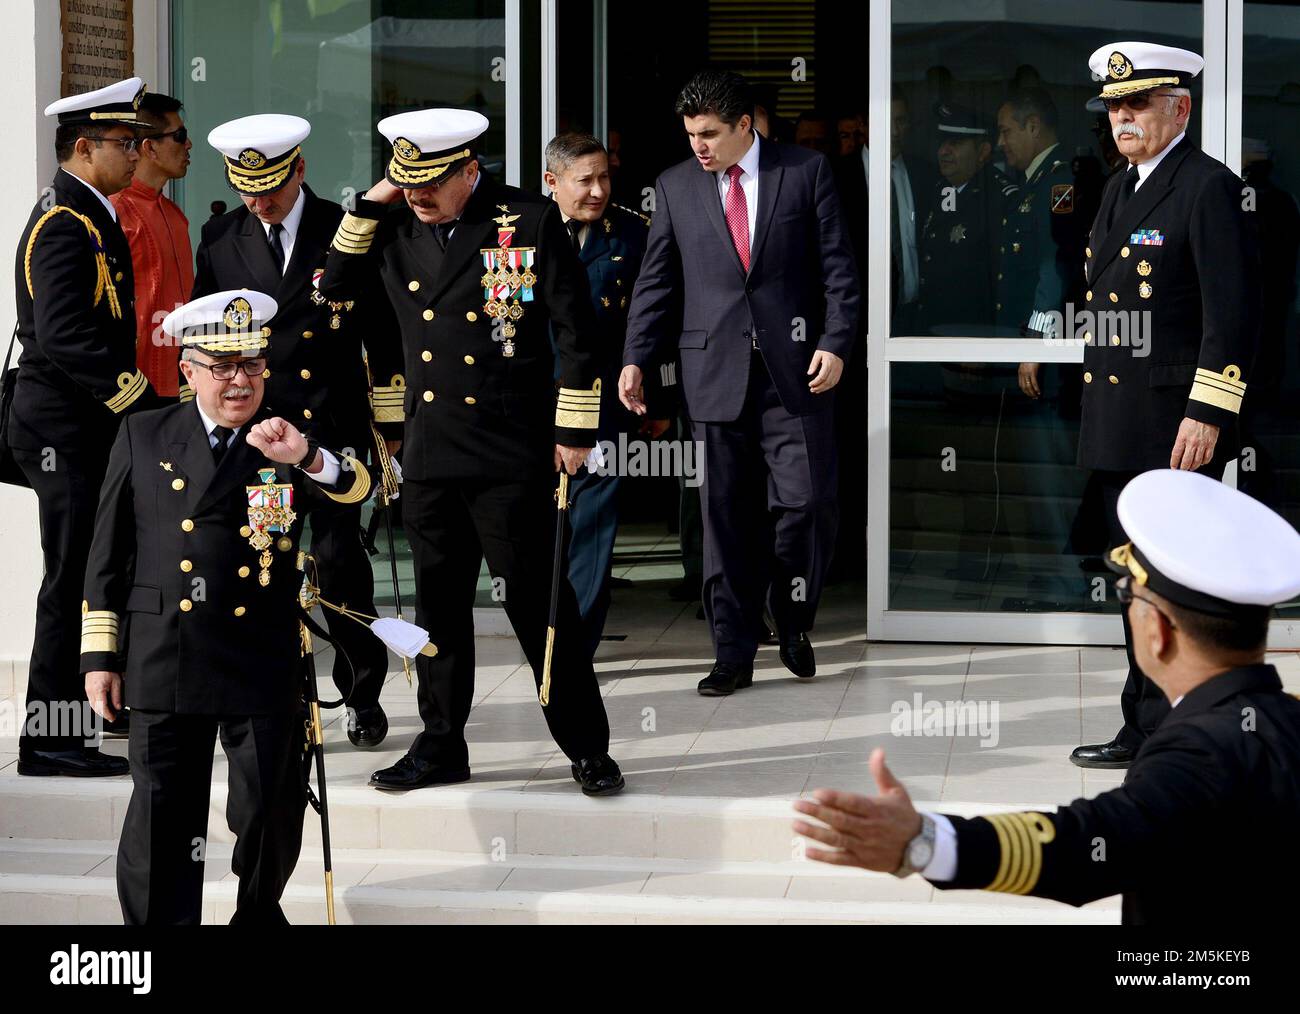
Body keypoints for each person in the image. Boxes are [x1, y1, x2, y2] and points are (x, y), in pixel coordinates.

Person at [794, 468, 1300, 925]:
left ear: (1158, 629)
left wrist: (924, 842)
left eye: (1129, 597)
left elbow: (1089, 843)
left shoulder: (1196, 753)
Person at [319, 108, 624, 794]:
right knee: (439, 614)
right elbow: (332, 288)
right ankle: (440, 745)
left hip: (510, 457)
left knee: (540, 608)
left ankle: (587, 746)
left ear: (468, 170)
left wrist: (574, 433)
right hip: (429, 457)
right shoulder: (393, 227)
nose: (419, 196)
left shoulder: (527, 220)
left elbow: (579, 334)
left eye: (431, 182)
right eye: (407, 183)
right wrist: (371, 203)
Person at [82, 289, 372, 925]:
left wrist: (308, 459)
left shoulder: (289, 432)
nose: (240, 381)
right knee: (163, 815)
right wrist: (101, 654)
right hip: (165, 650)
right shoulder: (145, 431)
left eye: (252, 365)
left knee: (272, 805)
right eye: (222, 367)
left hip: (258, 652)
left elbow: (361, 489)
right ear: (188, 370)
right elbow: (108, 552)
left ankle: (256, 915)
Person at [621, 70, 860, 695]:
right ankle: (732, 651)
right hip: (713, 374)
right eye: (690, 134)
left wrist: (836, 343)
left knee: (807, 503)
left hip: (798, 372)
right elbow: (657, 282)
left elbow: (840, 269)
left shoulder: (804, 172)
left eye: (709, 134)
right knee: (723, 517)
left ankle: (794, 613)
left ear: (744, 127)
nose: (698, 146)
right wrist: (635, 358)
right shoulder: (674, 187)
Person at [1068, 42, 1260, 769]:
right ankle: (1145, 721)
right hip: (1120, 417)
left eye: (1136, 104)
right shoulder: (1123, 184)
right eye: (1113, 106)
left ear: (1179, 108)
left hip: (1173, 419)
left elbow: (1233, 314)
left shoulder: (1207, 187)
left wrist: (1209, 412)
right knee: (1137, 577)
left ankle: (1174, 726)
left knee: (1173, 580)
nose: (1121, 117)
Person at [193, 113, 401, 748]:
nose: (259, 201)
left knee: (341, 561)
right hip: (260, 433)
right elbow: (208, 339)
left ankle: (362, 693)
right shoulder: (221, 236)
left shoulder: (345, 231)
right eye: (248, 189)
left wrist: (390, 422)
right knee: (263, 559)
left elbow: (382, 328)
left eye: (272, 189)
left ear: (301, 171)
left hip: (331, 426)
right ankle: (279, 693)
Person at [10, 76, 160, 776]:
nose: (136, 153)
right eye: (124, 143)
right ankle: (50, 737)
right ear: (82, 146)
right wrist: (135, 398)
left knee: (101, 568)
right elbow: (63, 335)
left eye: (137, 141)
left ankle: (99, 709)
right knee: (70, 577)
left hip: (82, 427)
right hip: (59, 432)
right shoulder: (62, 221)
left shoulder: (88, 211)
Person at [542, 132, 669, 658]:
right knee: (541, 527)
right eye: (584, 180)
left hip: (603, 405)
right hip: (534, 407)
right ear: (552, 182)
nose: (598, 190)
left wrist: (659, 401)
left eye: (604, 178)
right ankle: (543, 632)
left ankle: (577, 645)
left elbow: (657, 322)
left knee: (593, 527)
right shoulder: (519, 232)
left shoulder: (634, 235)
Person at [110, 91, 193, 400]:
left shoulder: (175, 216)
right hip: (130, 390)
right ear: (150, 148)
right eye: (179, 136)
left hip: (181, 385)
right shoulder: (114, 213)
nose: (188, 145)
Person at [913, 103, 1015, 336]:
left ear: (983, 152)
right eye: (943, 143)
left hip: (971, 335)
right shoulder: (935, 191)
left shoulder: (1000, 198)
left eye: (956, 144)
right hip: (930, 330)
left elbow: (1000, 283)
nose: (943, 151)